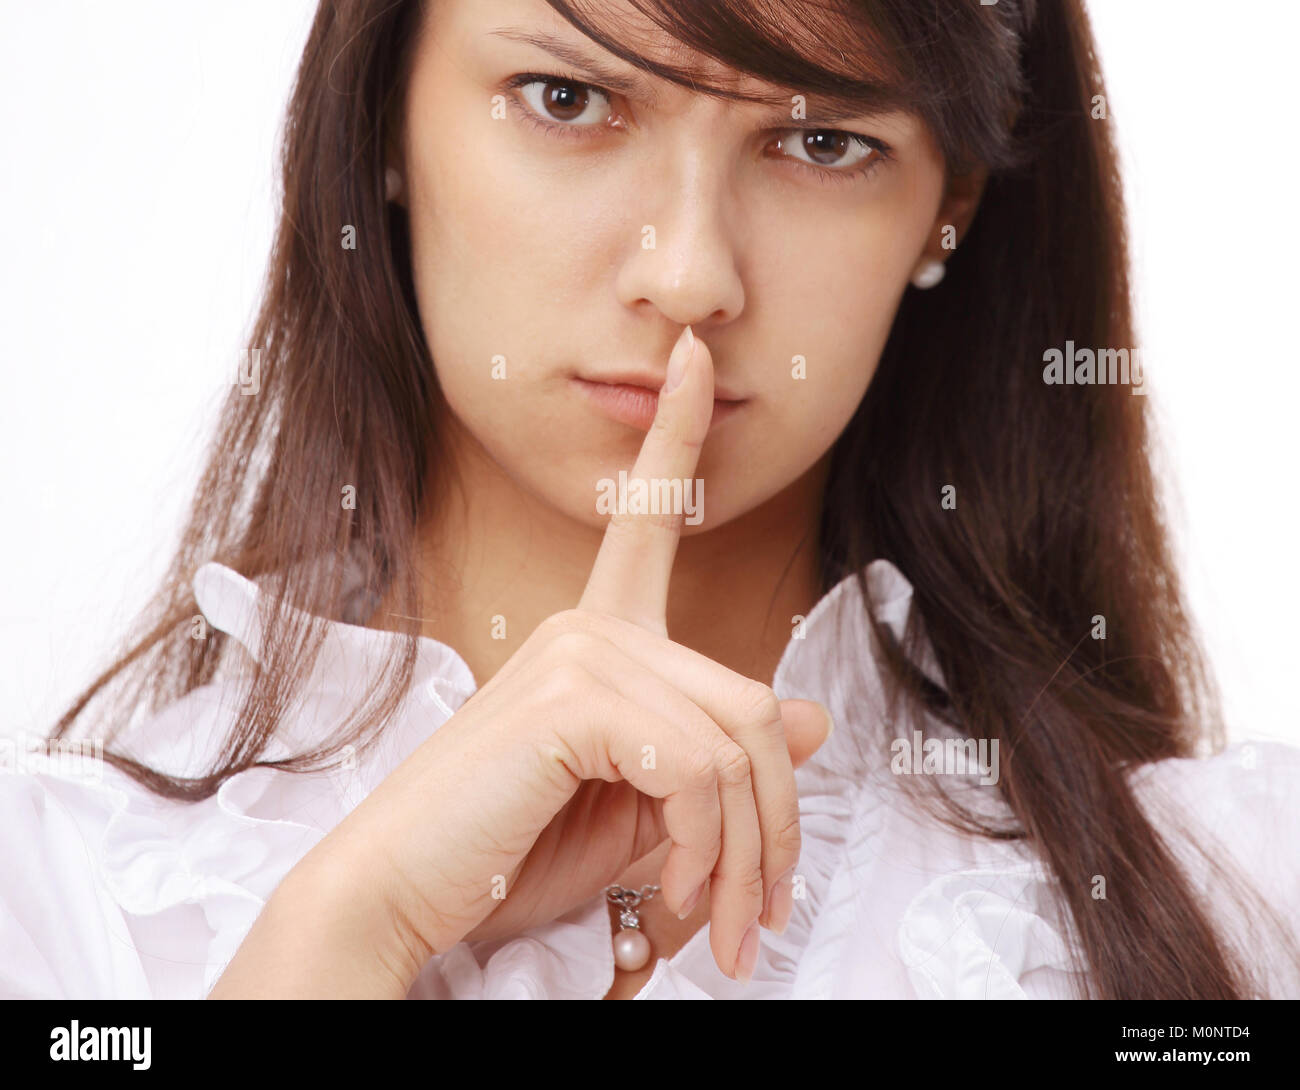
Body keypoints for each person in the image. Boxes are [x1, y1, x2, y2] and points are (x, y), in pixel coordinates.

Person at [7, 0, 1297, 1000]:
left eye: (822, 140)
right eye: (567, 99)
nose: (689, 275)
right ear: (382, 123)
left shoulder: (1229, 905)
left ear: (947, 209)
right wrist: (349, 937)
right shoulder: (58, 903)